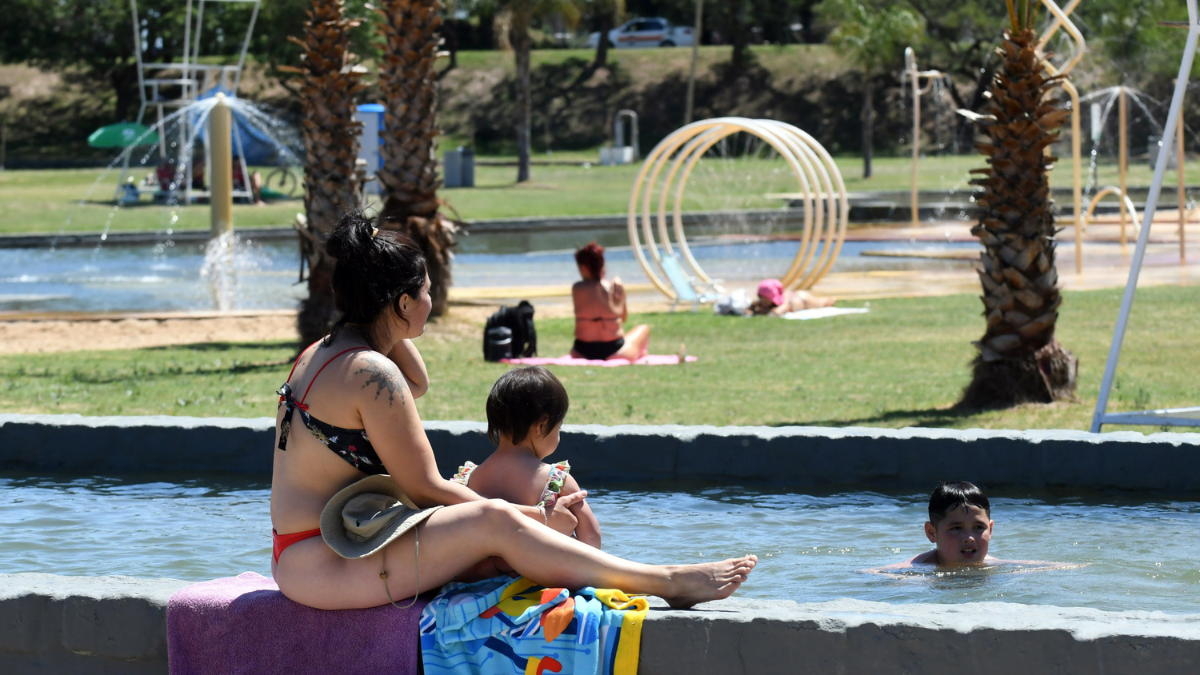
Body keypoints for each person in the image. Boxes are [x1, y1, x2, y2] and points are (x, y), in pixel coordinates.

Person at [270, 211, 756, 611]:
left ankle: (655, 577)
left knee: (494, 525)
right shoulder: (371, 373)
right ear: (401, 302)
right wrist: (535, 516)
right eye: (425, 291)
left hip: (311, 555)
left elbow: (419, 383)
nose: (431, 300)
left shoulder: (324, 351)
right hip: (328, 567)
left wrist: (386, 323)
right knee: (494, 521)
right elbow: (426, 488)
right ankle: (667, 581)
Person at [451, 366, 601, 549]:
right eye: (559, 427)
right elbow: (591, 538)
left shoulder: (469, 479)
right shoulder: (555, 481)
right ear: (541, 426)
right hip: (535, 564)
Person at [571, 241, 651, 361]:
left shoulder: (577, 288)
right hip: (614, 350)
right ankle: (642, 354)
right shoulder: (614, 288)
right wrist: (620, 293)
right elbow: (623, 317)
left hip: (581, 351)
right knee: (644, 328)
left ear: (583, 268)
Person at [748, 278, 836, 316]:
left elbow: (776, 313)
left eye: (765, 298)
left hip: (803, 299)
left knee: (824, 303)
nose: (762, 300)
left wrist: (762, 312)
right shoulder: (761, 303)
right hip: (795, 295)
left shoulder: (785, 303)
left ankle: (831, 298)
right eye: (760, 297)